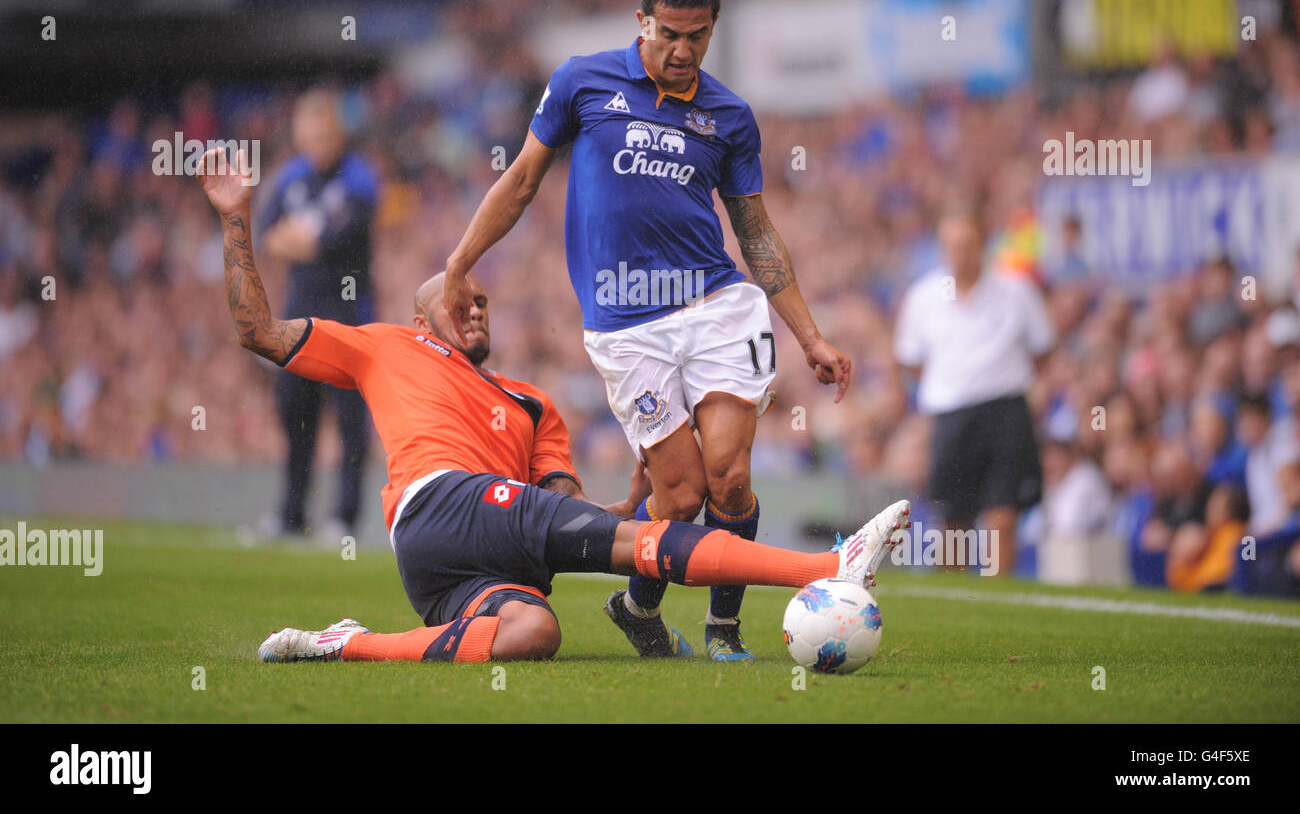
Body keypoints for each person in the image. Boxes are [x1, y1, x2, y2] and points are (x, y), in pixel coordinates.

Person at [195, 147, 909, 664]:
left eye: (480, 300)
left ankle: (346, 643)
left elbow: (575, 518)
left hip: (468, 563)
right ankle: (827, 562)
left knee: (533, 633)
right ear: (422, 320)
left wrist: (632, 500)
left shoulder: (533, 404)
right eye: (457, 300)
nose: (473, 307)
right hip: (438, 505)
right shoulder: (384, 345)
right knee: (636, 547)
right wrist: (236, 220)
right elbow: (257, 331)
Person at [442, 0, 853, 661]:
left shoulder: (729, 116)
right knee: (683, 494)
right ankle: (638, 608)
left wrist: (808, 334)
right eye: (669, 33)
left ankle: (724, 629)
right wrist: (458, 264)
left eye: (697, 36)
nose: (683, 49)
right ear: (642, 23)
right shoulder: (582, 82)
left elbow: (754, 231)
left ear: (713, 30)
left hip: (718, 304)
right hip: (626, 324)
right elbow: (520, 179)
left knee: (729, 475)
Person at [894, 204, 1055, 575]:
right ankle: (956, 598)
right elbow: (908, 360)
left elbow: (1043, 350)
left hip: (1006, 410)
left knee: (1005, 513)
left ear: (983, 244)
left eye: (967, 244)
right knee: (953, 518)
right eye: (951, 246)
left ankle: (1000, 597)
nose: (959, 254)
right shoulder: (924, 297)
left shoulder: (1016, 290)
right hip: (951, 415)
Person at [260, 88, 378, 543]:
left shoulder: (360, 177)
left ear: (337, 130)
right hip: (297, 319)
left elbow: (337, 240)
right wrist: (309, 241)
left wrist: (306, 241)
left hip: (349, 316)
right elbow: (268, 237)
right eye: (307, 134)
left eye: (323, 132)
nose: (315, 142)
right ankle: (290, 514)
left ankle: (344, 519)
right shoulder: (291, 176)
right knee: (295, 415)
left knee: (350, 420)